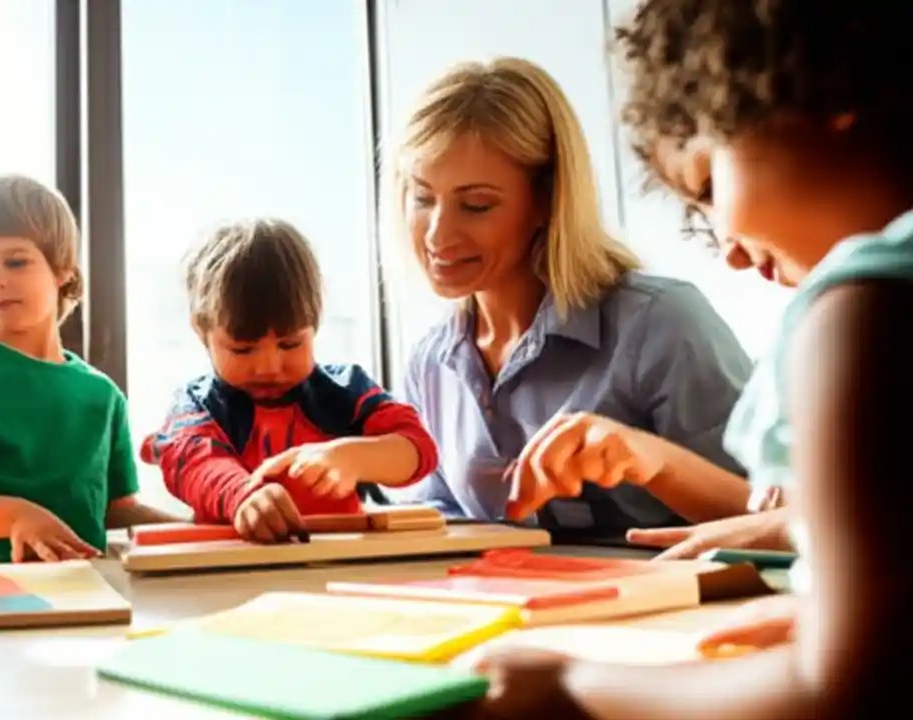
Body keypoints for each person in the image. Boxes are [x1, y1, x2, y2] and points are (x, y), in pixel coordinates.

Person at [473, 2, 913, 717]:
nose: (730, 247)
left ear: (817, 94)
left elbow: (848, 688)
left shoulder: (862, 311)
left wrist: (568, 687)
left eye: (709, 189)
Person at [389, 56, 753, 539]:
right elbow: (434, 526)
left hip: (661, 609)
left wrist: (651, 461)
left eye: (476, 205)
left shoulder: (659, 323)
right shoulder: (429, 363)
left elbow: (780, 518)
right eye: (423, 198)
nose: (438, 234)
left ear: (547, 201)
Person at [0, 174, 178, 566]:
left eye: (16, 261)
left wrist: (202, 527)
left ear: (62, 270)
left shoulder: (104, 395)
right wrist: (17, 516)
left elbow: (116, 510)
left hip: (78, 594)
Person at [141, 218, 438, 543]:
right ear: (203, 334)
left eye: (290, 344)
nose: (268, 366)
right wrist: (242, 494)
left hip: (339, 559)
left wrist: (353, 457)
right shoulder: (197, 405)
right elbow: (191, 460)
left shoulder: (346, 391)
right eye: (243, 349)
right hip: (233, 563)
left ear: (314, 327)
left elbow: (418, 449)